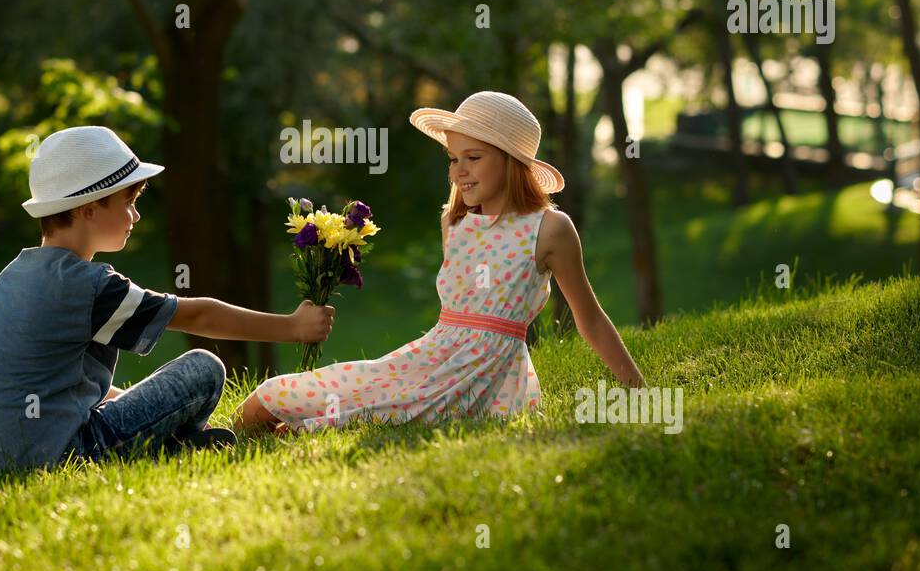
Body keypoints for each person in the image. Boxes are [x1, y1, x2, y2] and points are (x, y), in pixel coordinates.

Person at [234, 90, 644, 436]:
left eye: (473, 157)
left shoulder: (549, 228)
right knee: (267, 399)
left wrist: (637, 391)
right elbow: (450, 326)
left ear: (510, 160)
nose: (459, 171)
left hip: (484, 375)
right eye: (453, 159)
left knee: (326, 421)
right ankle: (212, 444)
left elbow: (588, 317)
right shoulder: (454, 222)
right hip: (429, 358)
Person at [0, 125, 335, 471]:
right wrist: (293, 327)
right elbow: (198, 317)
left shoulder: (19, 272)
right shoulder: (90, 285)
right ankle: (171, 446)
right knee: (204, 368)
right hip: (56, 454)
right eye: (128, 203)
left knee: (143, 398)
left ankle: (175, 447)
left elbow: (70, 387)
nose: (135, 216)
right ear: (89, 209)